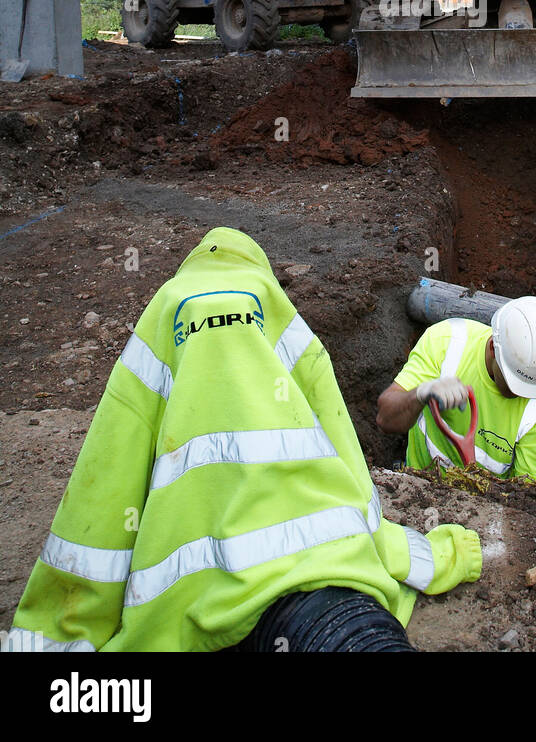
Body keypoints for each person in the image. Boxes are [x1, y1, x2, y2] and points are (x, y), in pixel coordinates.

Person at [4, 227, 481, 653]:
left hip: (197, 598)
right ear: (261, 271)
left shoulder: (164, 314)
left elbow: (109, 477)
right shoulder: (277, 311)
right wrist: (386, 542)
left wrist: (65, 618)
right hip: (327, 569)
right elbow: (342, 440)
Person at [377, 296, 536, 487]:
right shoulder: (446, 343)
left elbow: (529, 499)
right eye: (515, 383)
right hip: (418, 492)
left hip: (487, 513)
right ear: (493, 348)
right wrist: (418, 395)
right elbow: (385, 421)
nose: (524, 394)